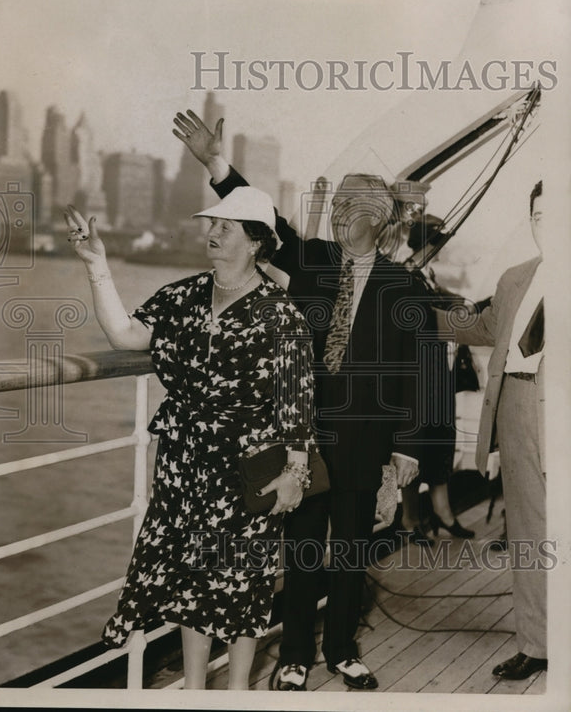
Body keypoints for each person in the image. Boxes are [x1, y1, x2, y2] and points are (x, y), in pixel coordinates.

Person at [172, 110, 428, 691]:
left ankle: (340, 648)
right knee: (304, 546)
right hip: (303, 435)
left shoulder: (402, 285)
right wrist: (215, 162)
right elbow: (264, 217)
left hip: (365, 437)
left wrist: (408, 449)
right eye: (335, 204)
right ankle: (292, 657)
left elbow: (414, 371)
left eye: (349, 208)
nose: (337, 214)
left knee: (351, 549)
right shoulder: (309, 258)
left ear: (378, 219)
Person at [63, 188, 319, 691]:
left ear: (257, 242)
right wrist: (97, 265)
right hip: (184, 461)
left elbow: (297, 401)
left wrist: (295, 474)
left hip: (248, 465)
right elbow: (125, 335)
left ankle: (239, 688)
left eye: (228, 227)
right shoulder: (183, 295)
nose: (213, 232)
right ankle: (196, 691)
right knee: (190, 574)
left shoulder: (281, 314)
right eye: (213, 224)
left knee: (243, 576)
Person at [435, 180, 547, 681]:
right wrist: (408, 313)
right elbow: (482, 328)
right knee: (530, 533)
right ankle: (538, 643)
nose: (548, 224)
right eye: (538, 214)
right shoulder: (516, 278)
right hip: (521, 409)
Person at [398, 215, 475, 545]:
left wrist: (468, 304)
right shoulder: (405, 275)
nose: (441, 250)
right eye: (437, 243)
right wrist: (458, 305)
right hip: (415, 373)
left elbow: (445, 299)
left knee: (442, 440)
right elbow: (427, 310)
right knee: (417, 444)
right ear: (425, 244)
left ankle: (443, 514)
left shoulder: (426, 274)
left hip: (436, 371)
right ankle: (409, 520)